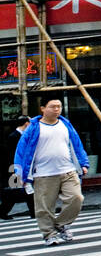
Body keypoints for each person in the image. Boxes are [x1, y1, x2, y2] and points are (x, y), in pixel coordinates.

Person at [13, 97, 89, 246]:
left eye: (59, 106)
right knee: (44, 207)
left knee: (77, 198)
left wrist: (83, 163)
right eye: (52, 106)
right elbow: (21, 152)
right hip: (43, 174)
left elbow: (77, 145)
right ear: (42, 108)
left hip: (68, 170)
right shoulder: (34, 128)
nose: (56, 109)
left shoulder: (65, 124)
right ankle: (49, 234)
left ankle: (60, 224)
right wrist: (19, 173)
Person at [1, 115, 34, 220]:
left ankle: (33, 212)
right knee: (14, 192)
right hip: (15, 168)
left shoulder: (23, 135)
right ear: (26, 124)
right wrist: (15, 170)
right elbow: (11, 155)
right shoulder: (13, 136)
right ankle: (2, 211)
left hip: (23, 168)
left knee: (27, 190)